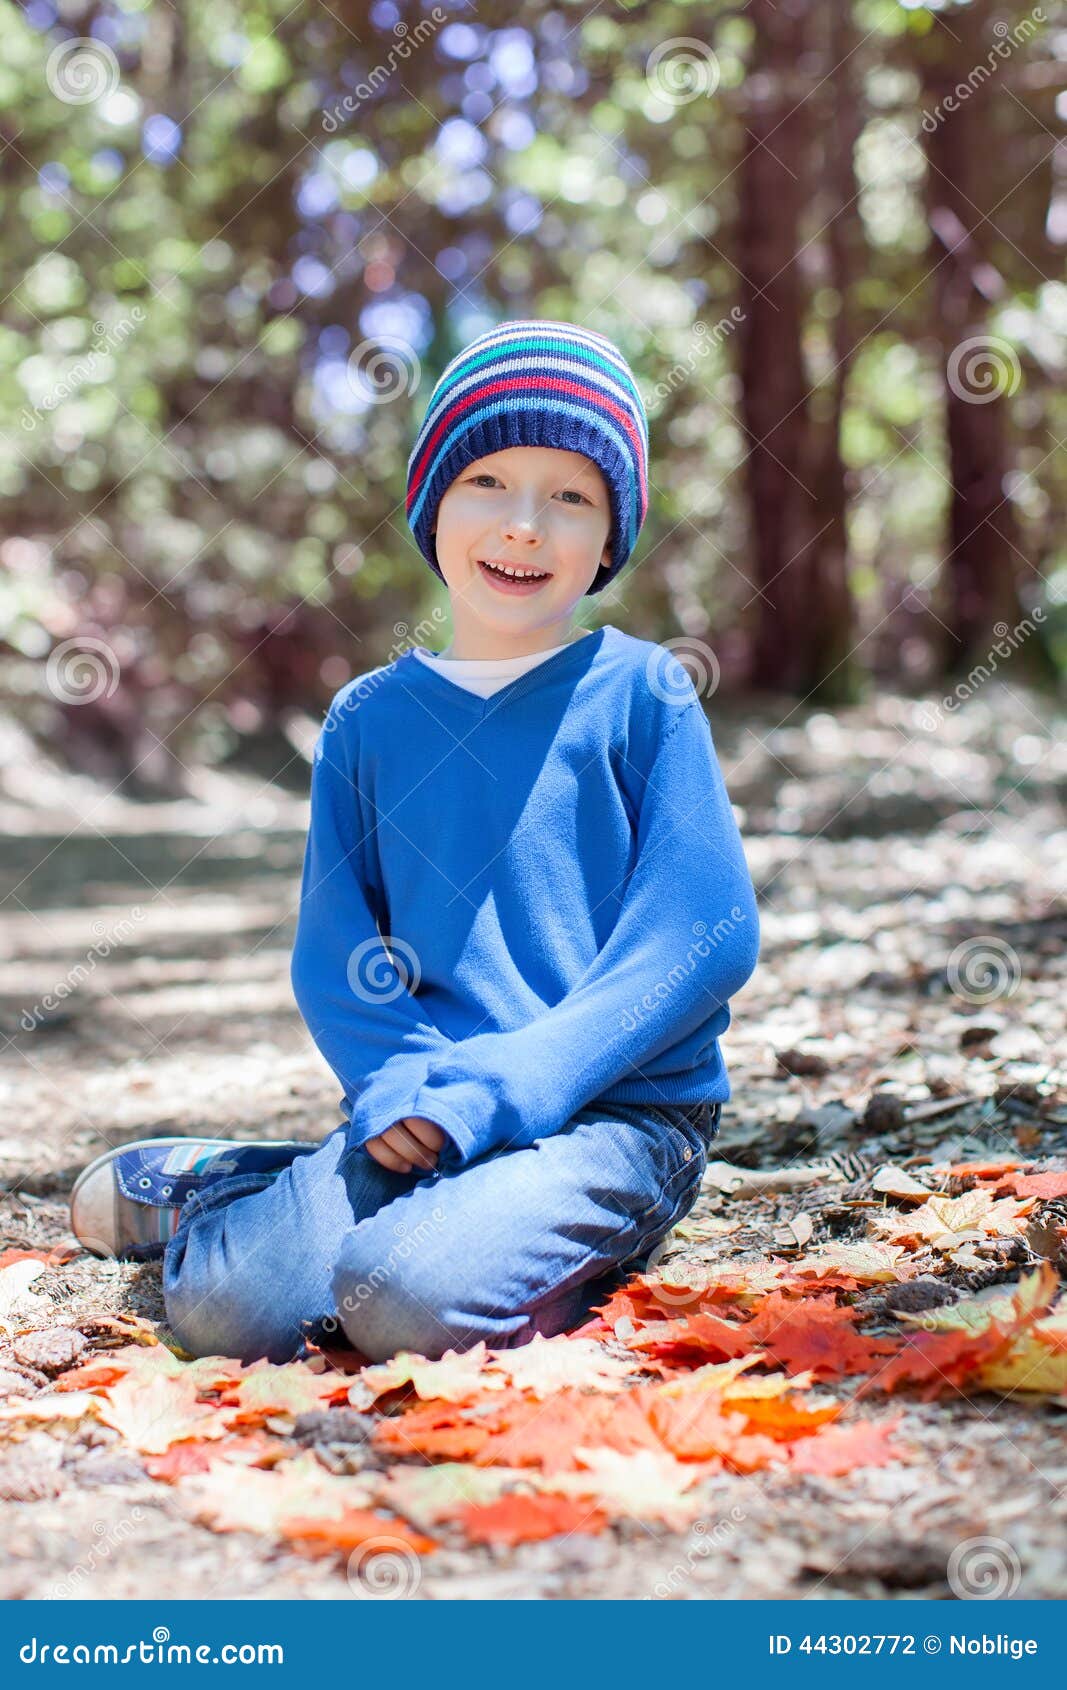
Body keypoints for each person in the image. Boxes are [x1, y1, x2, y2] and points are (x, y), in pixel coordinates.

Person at [69, 319, 760, 1365]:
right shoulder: (365, 723)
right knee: (225, 1313)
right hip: (425, 1108)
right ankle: (247, 1189)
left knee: (397, 1297)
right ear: (432, 505)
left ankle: (368, 1216)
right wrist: (398, 1088)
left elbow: (699, 937)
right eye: (487, 480)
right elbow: (336, 948)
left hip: (613, 1117)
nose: (523, 525)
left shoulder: (642, 694)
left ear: (610, 537)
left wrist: (505, 1087)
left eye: (570, 496)